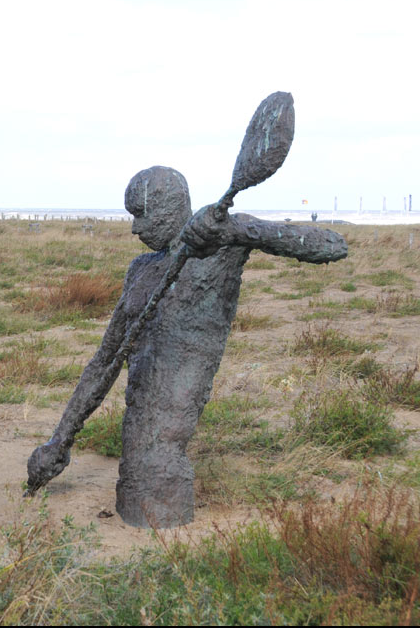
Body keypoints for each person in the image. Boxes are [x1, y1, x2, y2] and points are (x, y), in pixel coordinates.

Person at [27, 166, 347, 528]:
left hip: (164, 449)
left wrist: (238, 228)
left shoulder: (218, 253)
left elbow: (332, 246)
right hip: (136, 436)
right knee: (135, 491)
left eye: (141, 215)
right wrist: (60, 438)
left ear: (170, 207)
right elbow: (105, 361)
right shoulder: (142, 269)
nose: (134, 228)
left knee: (152, 487)